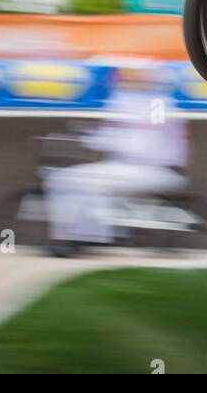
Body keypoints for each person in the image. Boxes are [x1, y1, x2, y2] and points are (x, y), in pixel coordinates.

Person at [43, 57, 189, 257]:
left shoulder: (159, 103)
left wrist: (101, 138)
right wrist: (92, 135)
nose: (125, 78)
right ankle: (80, 235)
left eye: (131, 75)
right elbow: (116, 134)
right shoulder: (126, 100)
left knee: (84, 181)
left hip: (152, 169)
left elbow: (142, 144)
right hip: (128, 167)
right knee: (62, 180)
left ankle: (82, 238)